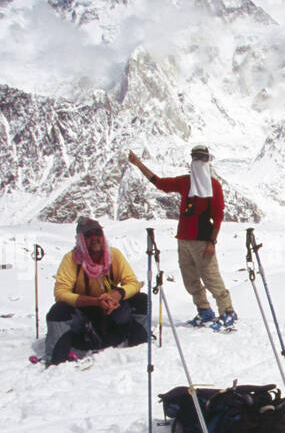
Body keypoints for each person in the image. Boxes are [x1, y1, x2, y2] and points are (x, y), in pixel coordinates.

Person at [127, 143, 237, 328]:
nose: (198, 161)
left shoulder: (214, 186)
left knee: (211, 277)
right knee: (190, 278)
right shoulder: (186, 182)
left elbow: (218, 215)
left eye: (202, 158)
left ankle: (227, 311)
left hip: (202, 240)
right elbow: (160, 183)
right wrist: (138, 164)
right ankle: (204, 311)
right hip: (184, 238)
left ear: (207, 161)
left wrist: (212, 242)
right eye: (196, 157)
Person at [45, 218, 148, 366]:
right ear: (80, 239)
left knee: (141, 300)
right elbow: (61, 292)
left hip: (112, 310)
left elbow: (132, 283)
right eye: (88, 235)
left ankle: (139, 348)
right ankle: (57, 359)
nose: (94, 238)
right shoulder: (71, 260)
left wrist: (116, 296)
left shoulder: (114, 255)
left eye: (98, 233)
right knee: (59, 311)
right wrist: (95, 302)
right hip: (84, 317)